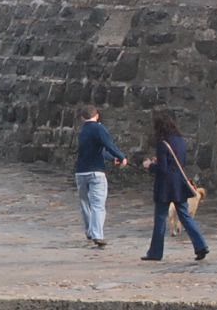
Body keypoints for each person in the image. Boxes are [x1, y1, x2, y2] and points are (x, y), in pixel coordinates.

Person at [141, 110, 208, 262]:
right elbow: (178, 163)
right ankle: (201, 245)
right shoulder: (180, 140)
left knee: (160, 219)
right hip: (179, 185)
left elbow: (163, 169)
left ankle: (155, 252)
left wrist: (150, 165)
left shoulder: (162, 143)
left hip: (165, 187)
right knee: (185, 217)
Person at [73, 106, 128, 247]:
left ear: (82, 118)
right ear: (97, 115)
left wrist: (111, 158)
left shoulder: (82, 131)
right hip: (96, 171)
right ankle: (97, 234)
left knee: (85, 204)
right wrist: (121, 157)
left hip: (80, 172)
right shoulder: (98, 128)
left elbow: (98, 150)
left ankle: (90, 232)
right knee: (98, 204)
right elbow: (108, 145)